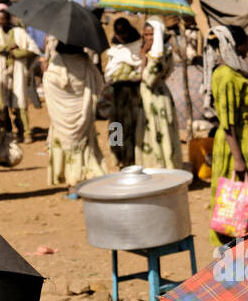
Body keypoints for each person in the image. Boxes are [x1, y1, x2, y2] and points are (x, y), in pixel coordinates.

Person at [207, 24, 248, 247]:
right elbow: (227, 121)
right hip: (236, 144)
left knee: (247, 197)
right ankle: (228, 247)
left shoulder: (235, 73)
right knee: (233, 197)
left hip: (247, 140)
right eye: (245, 43)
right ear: (235, 44)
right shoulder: (224, 76)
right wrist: (239, 160)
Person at [43, 39, 107, 188]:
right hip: (82, 111)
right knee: (84, 146)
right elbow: (98, 82)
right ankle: (86, 179)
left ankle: (71, 184)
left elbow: (50, 82)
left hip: (61, 113)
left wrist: (45, 73)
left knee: (66, 146)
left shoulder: (58, 61)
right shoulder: (86, 61)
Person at [0, 2, 37, 143]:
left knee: (19, 102)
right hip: (0, 74)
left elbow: (33, 50)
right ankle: (5, 132)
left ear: (9, 19)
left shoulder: (20, 33)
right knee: (1, 103)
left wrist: (17, 53)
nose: (1, 21)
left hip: (18, 72)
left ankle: (25, 132)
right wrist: (5, 48)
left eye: (4, 19)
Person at [136, 17, 179, 170]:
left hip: (153, 99)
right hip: (161, 95)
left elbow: (148, 79)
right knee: (159, 133)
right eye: (146, 35)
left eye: (152, 35)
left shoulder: (157, 56)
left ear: (159, 34)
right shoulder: (166, 50)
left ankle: (159, 169)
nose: (148, 38)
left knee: (155, 133)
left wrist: (143, 56)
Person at [103, 18, 143, 167]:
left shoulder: (138, 47)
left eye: (124, 33)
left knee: (132, 127)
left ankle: (132, 159)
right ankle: (117, 157)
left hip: (134, 95)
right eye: (119, 34)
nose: (122, 36)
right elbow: (108, 72)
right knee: (115, 126)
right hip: (117, 94)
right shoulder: (114, 50)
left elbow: (140, 68)